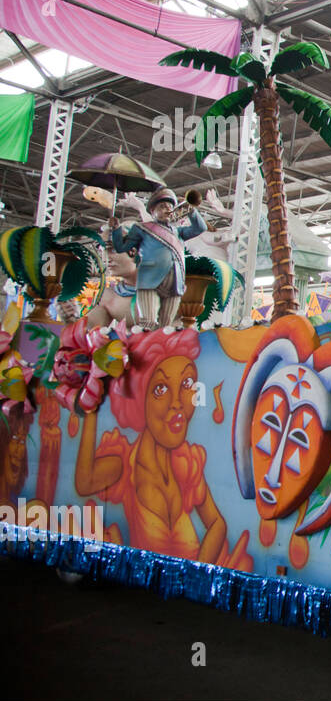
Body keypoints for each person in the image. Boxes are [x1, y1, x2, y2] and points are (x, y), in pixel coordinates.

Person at [74, 329, 252, 568]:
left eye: (187, 384)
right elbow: (84, 483)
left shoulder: (187, 467)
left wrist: (195, 575)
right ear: (140, 401)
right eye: (161, 388)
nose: (178, 402)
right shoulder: (127, 464)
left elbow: (217, 525)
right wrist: (91, 399)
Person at [110, 187, 206, 330]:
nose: (167, 209)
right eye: (162, 206)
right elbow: (121, 247)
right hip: (150, 279)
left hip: (175, 282)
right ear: (153, 211)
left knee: (165, 327)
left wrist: (190, 209)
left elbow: (200, 228)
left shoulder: (178, 232)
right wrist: (116, 229)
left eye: (169, 206)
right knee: (148, 324)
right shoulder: (142, 228)